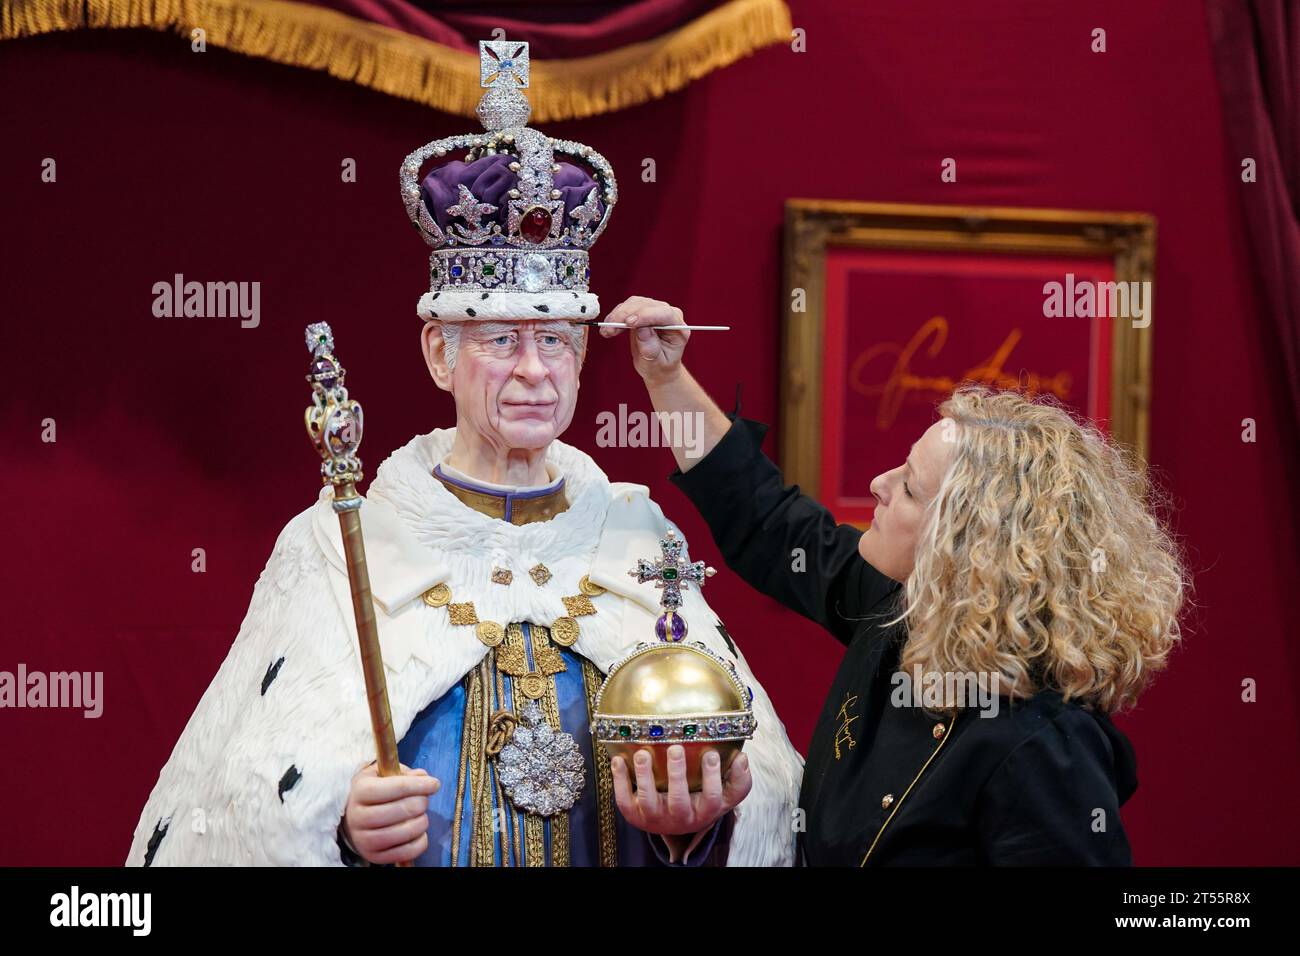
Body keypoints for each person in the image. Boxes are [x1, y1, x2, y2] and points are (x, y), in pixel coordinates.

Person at [125, 41, 802, 868]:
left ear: (584, 358)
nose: (533, 371)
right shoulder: (341, 546)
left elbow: (757, 781)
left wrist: (700, 821)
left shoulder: (637, 538)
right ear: (439, 354)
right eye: (499, 341)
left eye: (555, 339)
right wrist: (340, 828)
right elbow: (232, 806)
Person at [603, 296, 1188, 865]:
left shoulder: (1045, 746)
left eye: (909, 487)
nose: (879, 483)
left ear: (964, 546)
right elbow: (767, 519)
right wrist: (665, 374)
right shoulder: (900, 614)